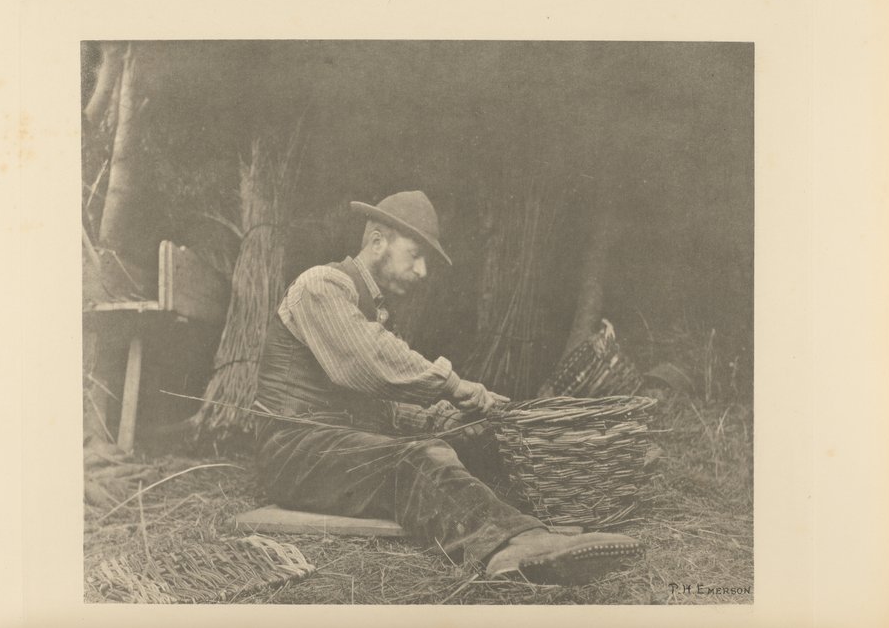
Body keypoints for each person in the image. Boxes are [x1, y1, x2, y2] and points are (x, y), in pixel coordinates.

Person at [252, 190, 641, 584]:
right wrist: (452, 386)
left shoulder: (371, 309)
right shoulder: (321, 285)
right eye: (415, 254)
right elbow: (370, 362)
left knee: (465, 442)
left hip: (334, 447)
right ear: (376, 240)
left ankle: (536, 529)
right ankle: (508, 548)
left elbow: (382, 405)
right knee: (414, 458)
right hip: (296, 452)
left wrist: (447, 417)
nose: (422, 272)